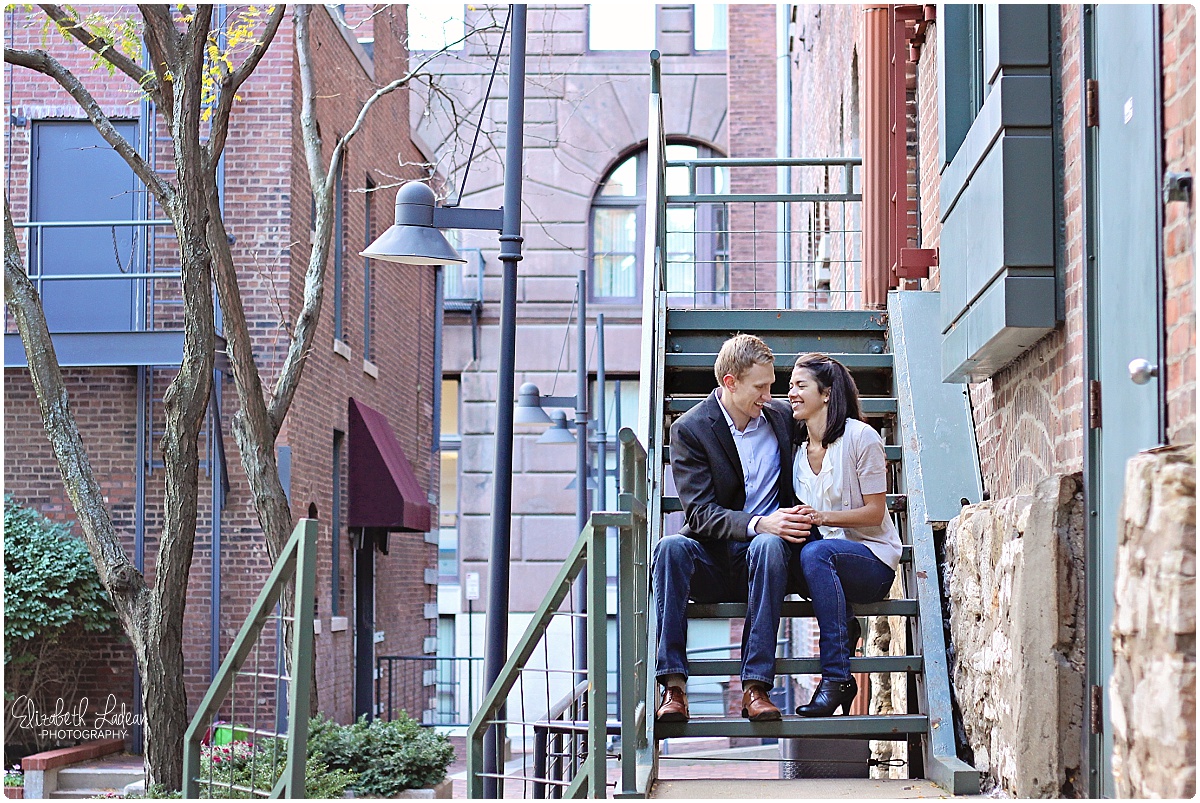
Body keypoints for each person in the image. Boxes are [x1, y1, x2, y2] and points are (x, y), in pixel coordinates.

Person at [653, 334, 817, 723]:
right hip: (710, 559)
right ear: (730, 382)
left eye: (772, 384)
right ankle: (673, 687)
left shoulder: (779, 419)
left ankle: (756, 687)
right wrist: (760, 523)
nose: (769, 394)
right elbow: (700, 514)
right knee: (669, 548)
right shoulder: (691, 430)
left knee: (770, 545)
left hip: (765, 563)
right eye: (760, 386)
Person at [787, 352, 903, 717]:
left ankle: (836, 677)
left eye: (799, 385)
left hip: (871, 559)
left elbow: (874, 513)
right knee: (783, 553)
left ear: (826, 393)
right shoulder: (797, 452)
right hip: (823, 563)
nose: (790, 392)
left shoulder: (860, 438)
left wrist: (822, 515)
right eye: (789, 385)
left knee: (815, 554)